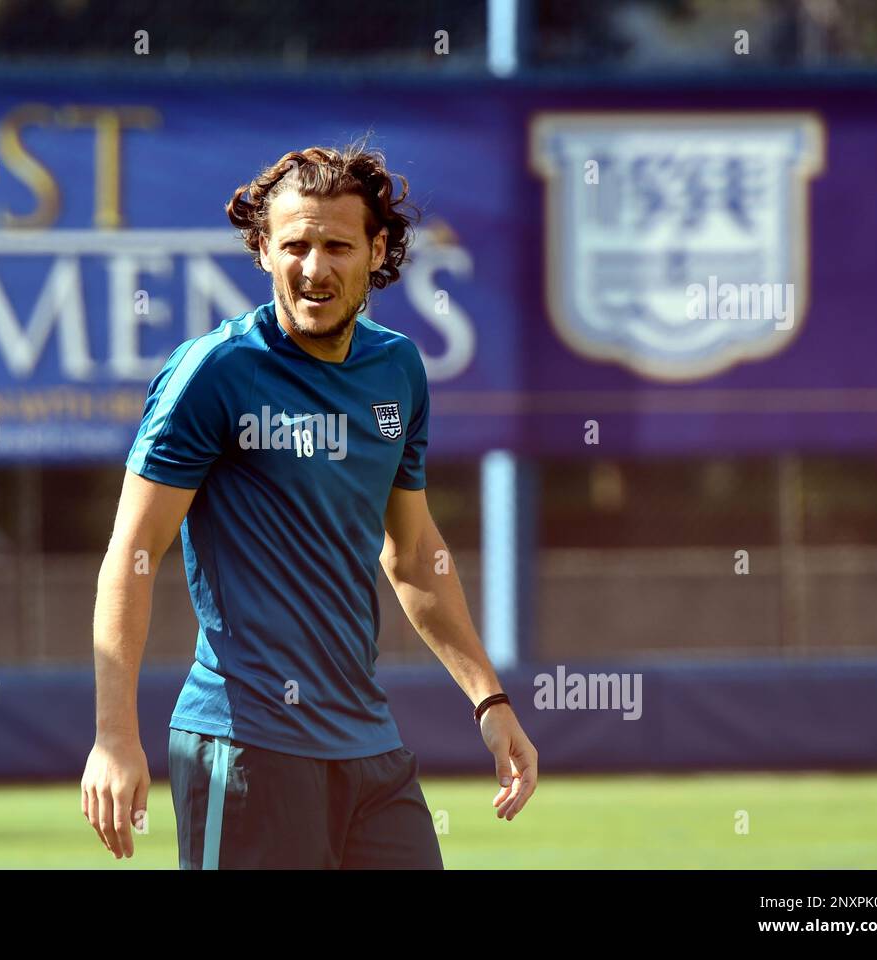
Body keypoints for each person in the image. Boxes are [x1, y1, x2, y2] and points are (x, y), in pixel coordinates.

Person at [81, 142, 538, 869]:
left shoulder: (398, 369)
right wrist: (114, 735)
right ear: (263, 249)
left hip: (371, 753)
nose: (314, 267)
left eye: (337, 245)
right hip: (246, 746)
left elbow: (414, 552)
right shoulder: (214, 373)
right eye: (294, 244)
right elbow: (132, 555)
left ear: (377, 250)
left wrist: (491, 702)